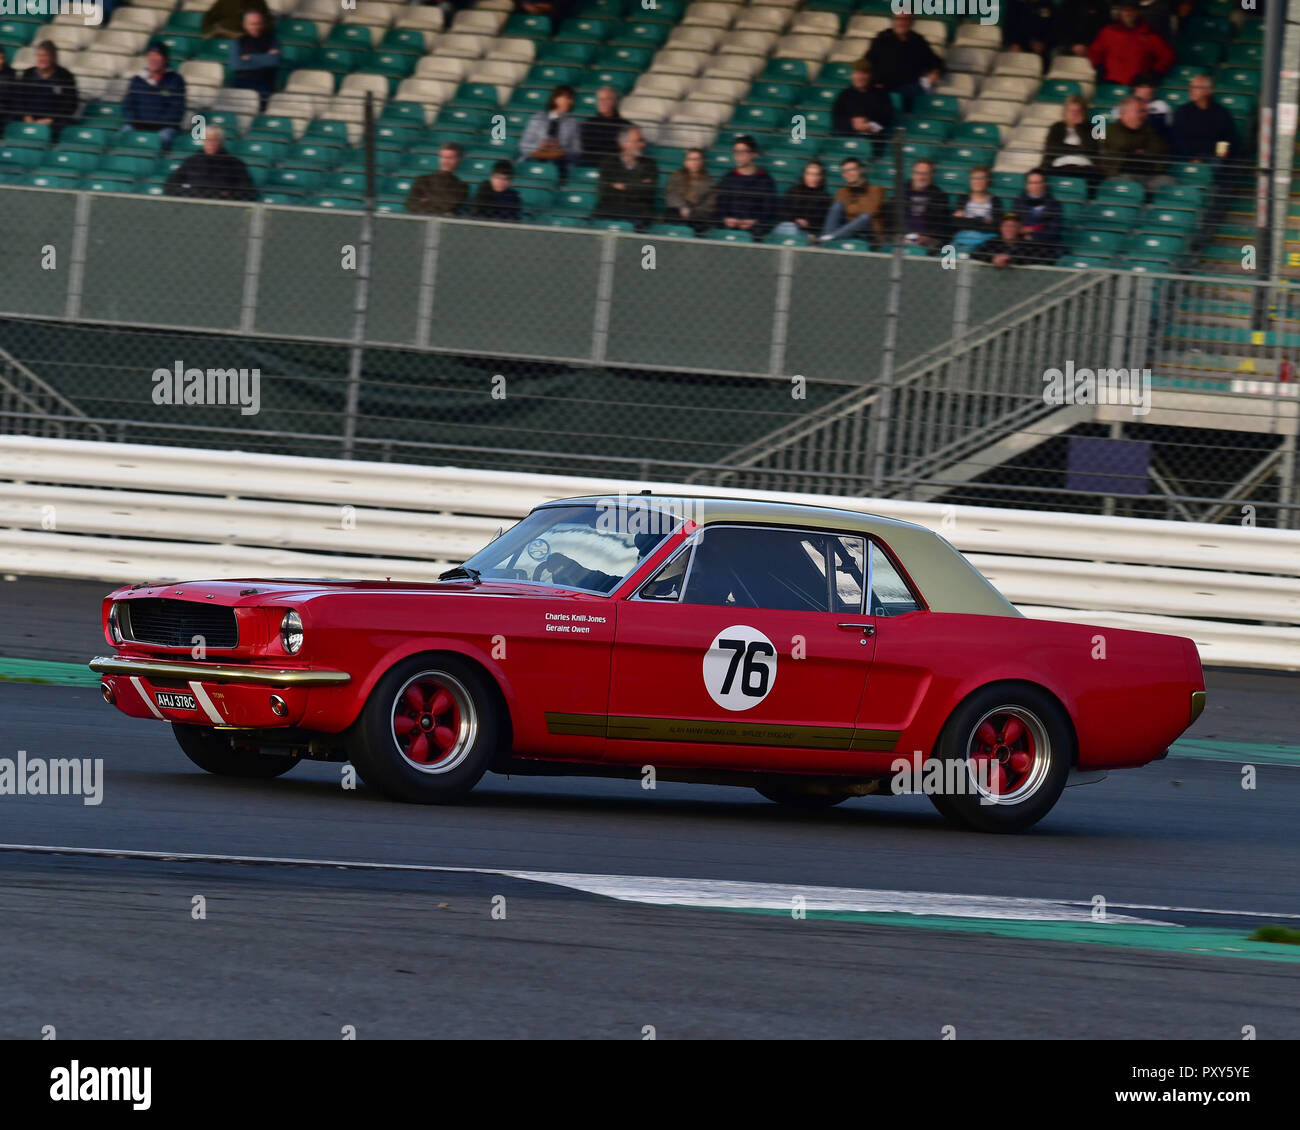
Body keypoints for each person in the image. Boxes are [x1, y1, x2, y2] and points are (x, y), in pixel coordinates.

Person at [865, 12, 943, 113]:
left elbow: (934, 61)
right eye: (899, 19)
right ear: (894, 21)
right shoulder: (882, 39)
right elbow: (867, 62)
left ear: (911, 22)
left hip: (909, 88)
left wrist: (935, 72)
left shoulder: (917, 41)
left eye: (905, 19)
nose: (901, 23)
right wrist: (875, 82)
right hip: (883, 87)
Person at [1088, 1, 1174, 87]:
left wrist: (1154, 73)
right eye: (1125, 10)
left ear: (1138, 12)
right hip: (1110, 84)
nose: (1128, 13)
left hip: (1137, 88)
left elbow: (1167, 56)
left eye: (1132, 10)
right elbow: (1095, 52)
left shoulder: (1149, 35)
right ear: (1120, 12)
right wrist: (1099, 66)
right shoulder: (1108, 32)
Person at [121, 41, 186, 152]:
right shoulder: (137, 80)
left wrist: (155, 125)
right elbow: (128, 105)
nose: (153, 59)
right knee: (121, 137)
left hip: (163, 128)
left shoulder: (175, 80)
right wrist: (137, 123)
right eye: (150, 55)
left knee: (163, 138)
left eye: (157, 56)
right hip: (138, 126)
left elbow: (177, 110)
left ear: (165, 59)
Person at [1100, 96, 1173, 191]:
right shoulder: (1113, 129)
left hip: (1150, 176)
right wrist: (1142, 146)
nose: (1144, 115)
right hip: (1122, 175)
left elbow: (1159, 148)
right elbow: (1123, 144)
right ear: (1125, 113)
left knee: (1170, 184)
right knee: (1131, 188)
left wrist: (1140, 150)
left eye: (1144, 111)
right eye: (1140, 111)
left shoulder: (1147, 127)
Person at [592, 125, 658, 230]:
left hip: (638, 211)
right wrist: (636, 186)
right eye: (638, 141)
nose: (643, 144)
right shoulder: (608, 163)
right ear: (624, 144)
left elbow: (648, 191)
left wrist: (621, 187)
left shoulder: (649, 165)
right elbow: (604, 190)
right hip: (611, 208)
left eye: (642, 141)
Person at [164, 125, 257, 199]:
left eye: (214, 140)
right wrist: (187, 193)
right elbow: (170, 185)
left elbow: (247, 191)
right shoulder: (191, 161)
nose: (210, 144)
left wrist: (226, 196)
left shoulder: (234, 164)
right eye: (207, 140)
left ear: (220, 142)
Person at [715, 134, 776, 239]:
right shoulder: (729, 178)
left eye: (743, 152)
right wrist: (727, 218)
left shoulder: (765, 179)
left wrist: (754, 221)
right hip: (730, 225)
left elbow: (768, 208)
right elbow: (722, 203)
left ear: (753, 154)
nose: (738, 156)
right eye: (736, 152)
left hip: (755, 228)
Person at [1171, 74, 1241, 163]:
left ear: (1208, 91)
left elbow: (1229, 139)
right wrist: (1190, 158)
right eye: (1191, 87)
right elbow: (1177, 139)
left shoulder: (1222, 113)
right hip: (1187, 157)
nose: (1191, 90)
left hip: (1213, 157)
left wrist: (1219, 154)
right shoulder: (1182, 112)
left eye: (1196, 87)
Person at [18, 41, 77, 142]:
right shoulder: (28, 74)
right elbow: (18, 99)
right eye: (39, 55)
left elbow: (70, 103)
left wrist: (51, 119)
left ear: (53, 57)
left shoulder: (65, 76)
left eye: (45, 56)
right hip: (29, 118)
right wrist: (26, 116)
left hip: (54, 121)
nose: (41, 59)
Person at [518, 84, 582, 178]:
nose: (570, 101)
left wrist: (560, 150)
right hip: (535, 157)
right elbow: (524, 145)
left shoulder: (573, 123)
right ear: (556, 98)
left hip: (559, 162)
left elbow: (577, 150)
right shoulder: (537, 119)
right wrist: (540, 147)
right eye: (567, 98)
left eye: (571, 99)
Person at [818, 157, 883, 245]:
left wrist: (850, 209)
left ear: (860, 170)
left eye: (851, 170)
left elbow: (870, 212)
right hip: (846, 230)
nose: (848, 174)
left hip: (867, 232)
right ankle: (827, 239)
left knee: (865, 217)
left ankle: (828, 239)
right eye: (844, 171)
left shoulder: (876, 190)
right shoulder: (841, 192)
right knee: (837, 206)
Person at [1046, 95, 1103, 191]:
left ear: (1083, 113)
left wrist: (1079, 127)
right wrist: (1079, 149)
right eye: (1071, 111)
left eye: (1078, 111)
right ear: (1065, 112)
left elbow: (1092, 149)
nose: (1074, 114)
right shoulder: (1057, 127)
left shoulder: (1090, 128)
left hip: (1084, 168)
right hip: (1060, 167)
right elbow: (1053, 148)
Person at [228, 8, 280, 112]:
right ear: (245, 25)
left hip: (264, 85)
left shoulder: (272, 41)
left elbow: (273, 61)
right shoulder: (239, 42)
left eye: (258, 24)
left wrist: (250, 58)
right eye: (252, 24)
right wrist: (264, 58)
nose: (256, 27)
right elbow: (236, 64)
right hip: (241, 83)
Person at [830, 61, 892, 145]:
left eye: (863, 74)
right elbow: (837, 119)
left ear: (870, 75)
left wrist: (869, 125)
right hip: (846, 137)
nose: (859, 77)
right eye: (856, 73)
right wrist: (852, 124)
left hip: (872, 140)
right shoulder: (844, 95)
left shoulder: (881, 95)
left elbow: (885, 120)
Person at [770, 159, 831, 241]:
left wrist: (808, 224)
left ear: (821, 177)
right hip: (789, 226)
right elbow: (782, 211)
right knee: (788, 227)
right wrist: (796, 220)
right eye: (809, 174)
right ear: (804, 175)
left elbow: (822, 222)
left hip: (809, 233)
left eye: (816, 174)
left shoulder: (825, 197)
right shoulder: (794, 191)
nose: (812, 178)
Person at [1011, 168, 1064, 259]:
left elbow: (1053, 231)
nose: (1035, 186)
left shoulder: (1054, 205)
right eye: (1031, 183)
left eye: (1038, 182)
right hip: (1021, 246)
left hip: (1045, 248)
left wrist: (1031, 236)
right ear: (1026, 185)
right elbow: (1013, 225)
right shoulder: (1018, 202)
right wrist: (1037, 228)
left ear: (1044, 184)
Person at [948, 165, 1003, 253]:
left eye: (981, 178)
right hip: (962, 238)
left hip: (984, 241)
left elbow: (996, 227)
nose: (977, 182)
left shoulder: (995, 201)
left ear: (988, 181)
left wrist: (967, 220)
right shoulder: (963, 199)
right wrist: (982, 221)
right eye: (974, 178)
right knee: (947, 254)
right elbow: (956, 223)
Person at [406, 141, 468, 216]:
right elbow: (411, 205)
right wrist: (439, 203)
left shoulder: (461, 186)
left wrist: (426, 201)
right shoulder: (422, 180)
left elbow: (448, 206)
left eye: (450, 158)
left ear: (458, 160)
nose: (446, 161)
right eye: (443, 157)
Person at [662, 148, 716, 233]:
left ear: (702, 162)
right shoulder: (676, 177)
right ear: (685, 162)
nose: (694, 163)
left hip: (698, 215)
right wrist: (682, 207)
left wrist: (693, 212)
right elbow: (671, 195)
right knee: (672, 215)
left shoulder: (709, 181)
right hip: (679, 211)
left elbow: (709, 203)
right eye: (691, 159)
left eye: (697, 159)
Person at [900, 158, 948, 250]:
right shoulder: (901, 192)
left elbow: (942, 223)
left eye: (925, 174)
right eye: (918, 173)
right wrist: (905, 235)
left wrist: (925, 237)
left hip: (928, 238)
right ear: (912, 174)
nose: (921, 177)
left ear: (931, 175)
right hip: (902, 235)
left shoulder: (940, 196)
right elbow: (893, 217)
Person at [975, 214, 1054, 267]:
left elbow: (1046, 258)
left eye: (1013, 226)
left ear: (1019, 228)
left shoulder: (1027, 245)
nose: (1009, 229)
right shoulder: (993, 242)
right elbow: (975, 254)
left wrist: (1011, 259)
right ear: (1001, 228)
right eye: (1006, 226)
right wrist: (993, 258)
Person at [580, 85, 632, 166]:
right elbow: (586, 152)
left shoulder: (626, 126)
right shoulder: (589, 124)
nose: (603, 103)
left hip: (616, 168)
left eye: (607, 99)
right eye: (600, 99)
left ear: (615, 101)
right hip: (594, 165)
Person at [1115, 72, 1173, 140]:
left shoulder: (1162, 106)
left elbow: (1168, 127)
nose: (1148, 90)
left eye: (1151, 86)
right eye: (1144, 86)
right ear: (1135, 88)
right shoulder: (1121, 106)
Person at [202, 0, 272, 40]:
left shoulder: (258, 2)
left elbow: (267, 22)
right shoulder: (223, 2)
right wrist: (207, 30)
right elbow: (209, 17)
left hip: (247, 37)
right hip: (224, 33)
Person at [0, 46, 20, 135]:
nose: (1, 61)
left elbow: (14, 98)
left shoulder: (10, 73)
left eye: (2, 58)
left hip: (4, 112)